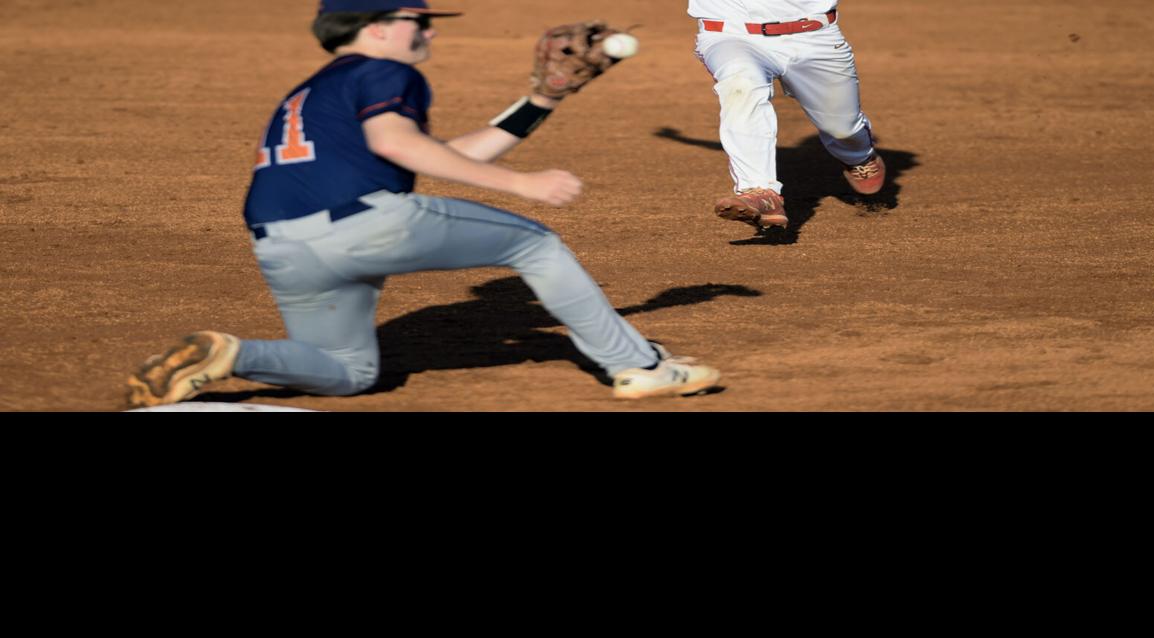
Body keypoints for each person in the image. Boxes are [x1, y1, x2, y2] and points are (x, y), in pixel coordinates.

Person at [125, 1, 720, 408]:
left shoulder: (317, 87)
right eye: (419, 20)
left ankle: (228, 354)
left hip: (283, 247)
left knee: (349, 372)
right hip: (363, 224)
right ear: (377, 26)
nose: (430, 32)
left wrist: (542, 99)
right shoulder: (385, 70)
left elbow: (438, 155)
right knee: (536, 243)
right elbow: (398, 144)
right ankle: (641, 367)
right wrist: (521, 184)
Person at [689, 2, 885, 231]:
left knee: (842, 128)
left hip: (815, 35)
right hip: (730, 35)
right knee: (741, 85)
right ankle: (759, 191)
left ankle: (859, 157)